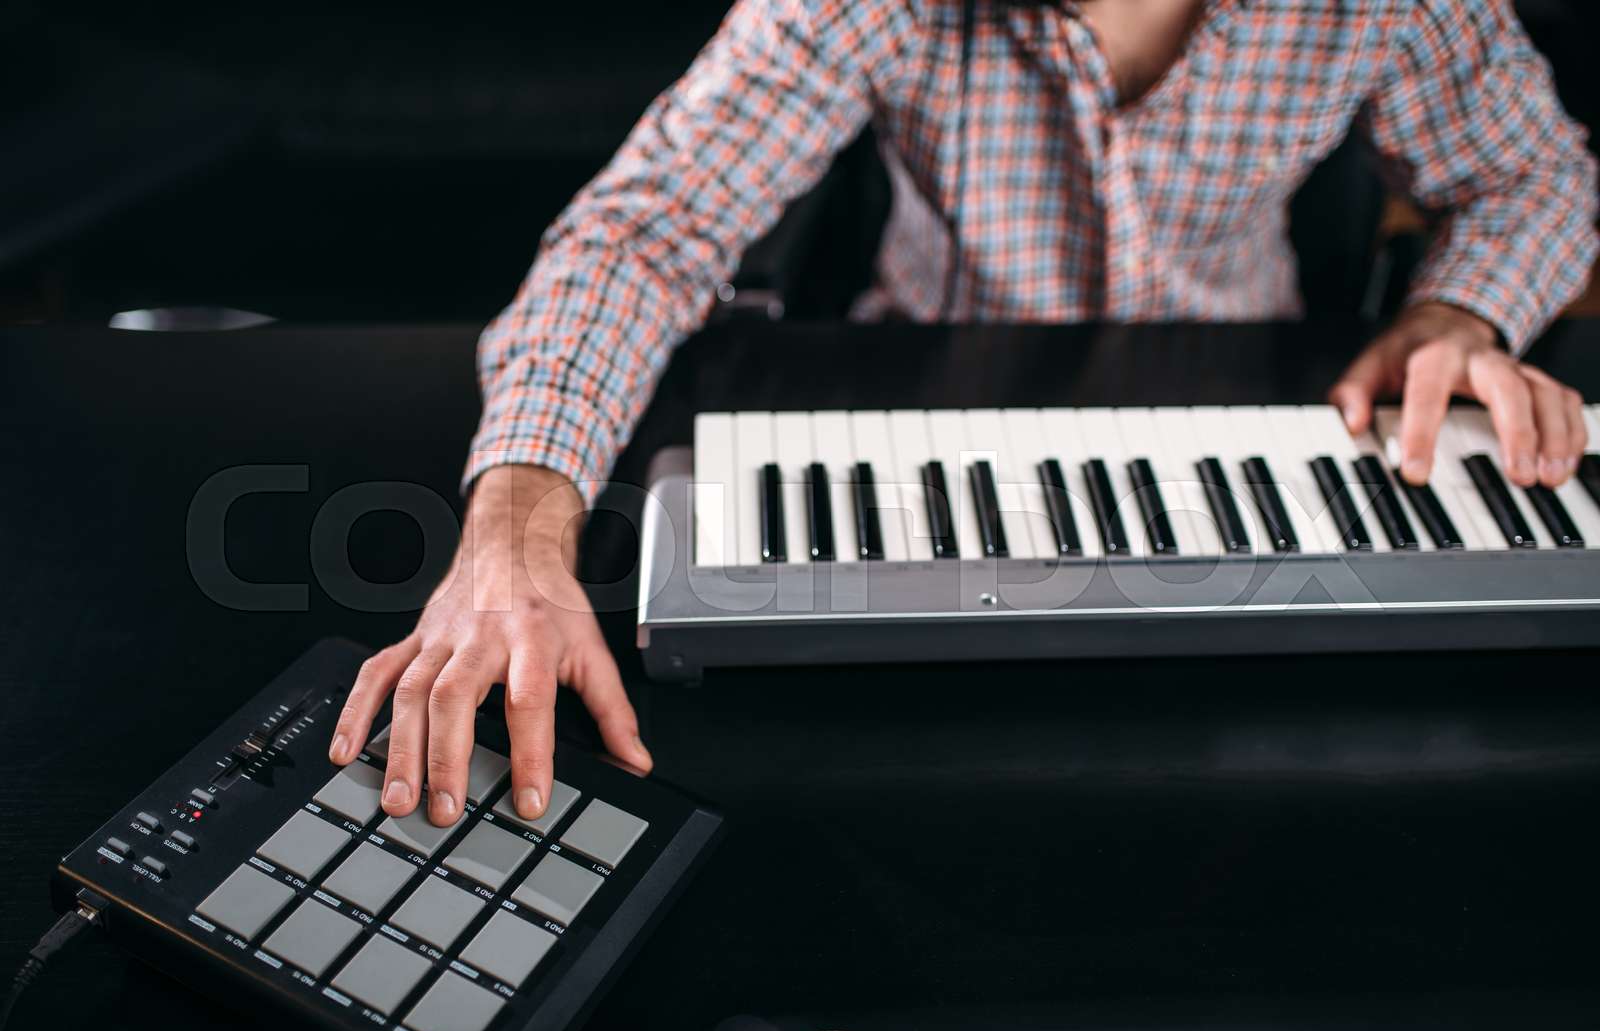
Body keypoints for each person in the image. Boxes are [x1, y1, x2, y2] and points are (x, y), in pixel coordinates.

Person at [328, 0, 1599, 826]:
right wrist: (513, 541)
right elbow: (640, 236)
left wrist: (1460, 316)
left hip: (1253, 415)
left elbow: (1535, 175)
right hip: (911, 411)